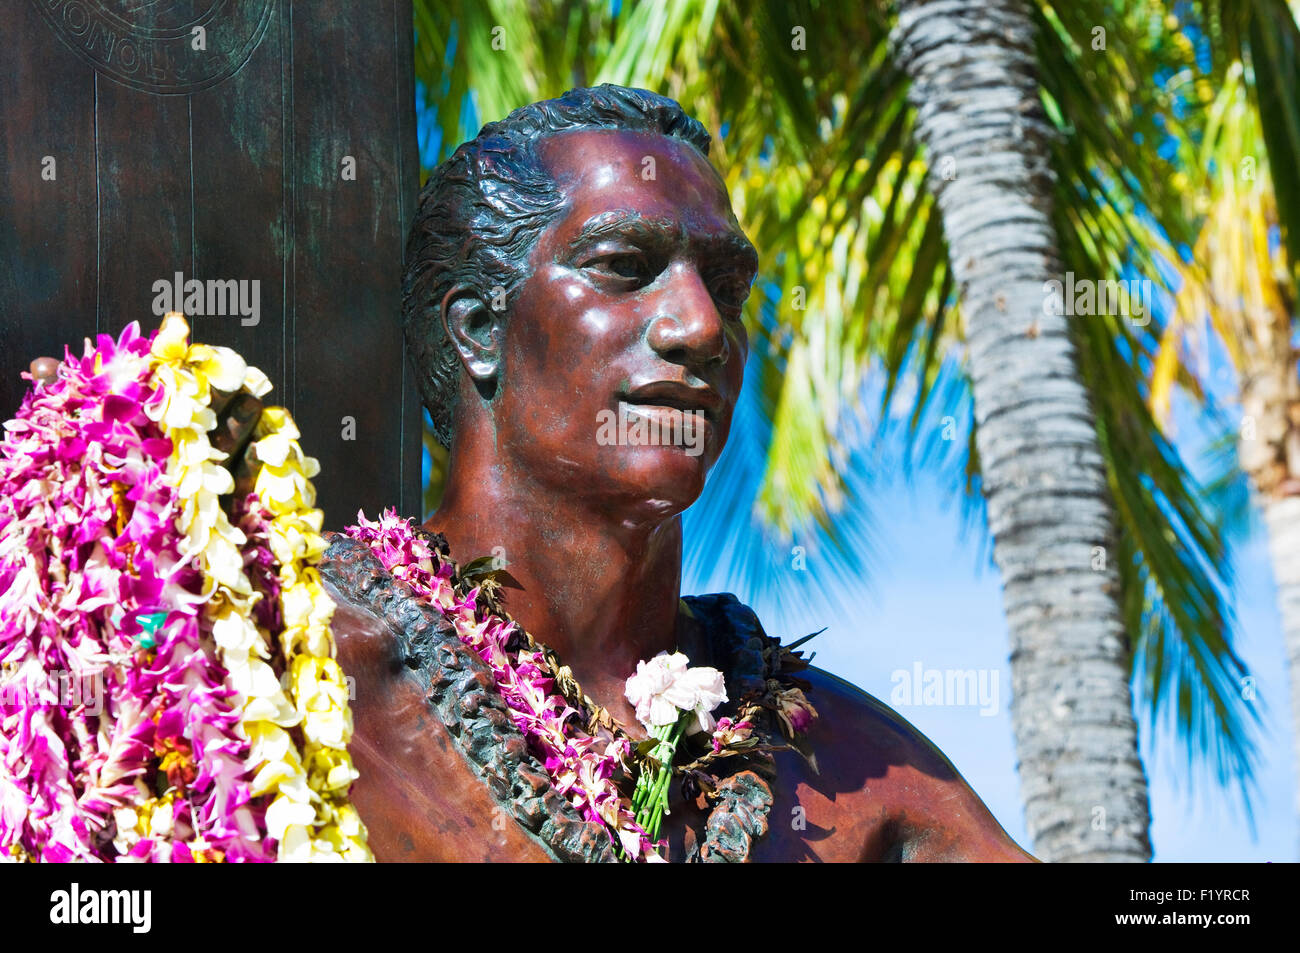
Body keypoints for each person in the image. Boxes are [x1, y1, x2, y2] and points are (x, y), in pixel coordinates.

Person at [315, 85, 1035, 862]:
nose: (701, 327)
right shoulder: (291, 666)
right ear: (481, 329)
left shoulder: (863, 773)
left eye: (728, 290)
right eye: (624, 266)